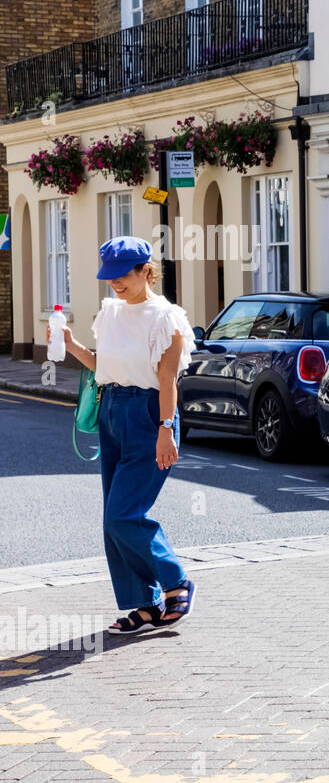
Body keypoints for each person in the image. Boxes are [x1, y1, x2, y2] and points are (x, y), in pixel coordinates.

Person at [50, 236, 198, 635]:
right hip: (112, 411)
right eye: (109, 276)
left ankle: (176, 580)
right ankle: (144, 605)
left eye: (122, 275)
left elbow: (167, 379)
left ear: (145, 271)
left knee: (124, 514)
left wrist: (166, 431)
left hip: (150, 414)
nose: (115, 283)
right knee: (111, 518)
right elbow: (103, 366)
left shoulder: (166, 318)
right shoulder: (110, 312)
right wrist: (71, 345)